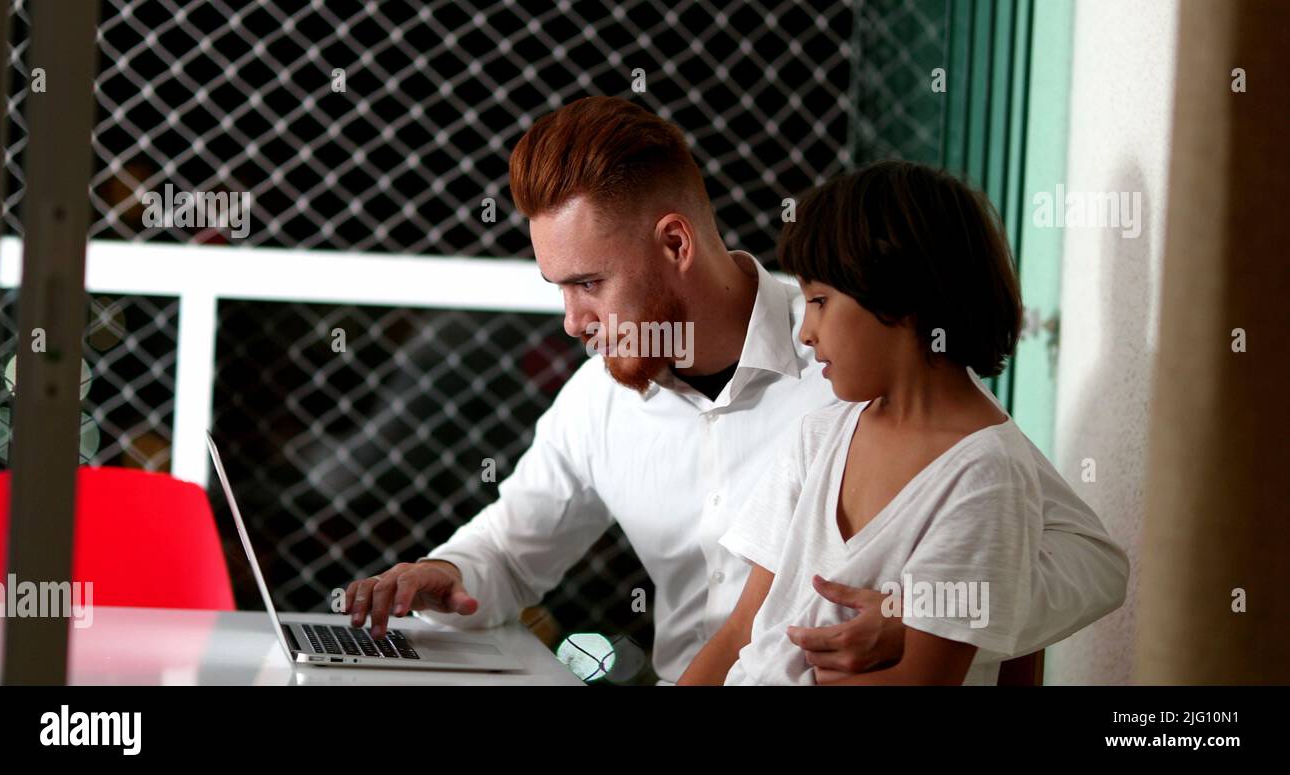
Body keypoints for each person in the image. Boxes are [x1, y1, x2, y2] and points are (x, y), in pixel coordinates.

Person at [342, 97, 1128, 684]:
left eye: (589, 283)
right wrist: (446, 569)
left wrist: (921, 615)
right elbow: (512, 548)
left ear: (675, 242)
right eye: (560, 287)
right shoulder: (598, 401)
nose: (573, 321)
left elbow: (1085, 563)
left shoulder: (862, 362)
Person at [679, 161, 1122, 685]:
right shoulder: (818, 437)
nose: (806, 332)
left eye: (819, 300)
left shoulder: (985, 473)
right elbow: (741, 633)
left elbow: (923, 680)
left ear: (901, 295)